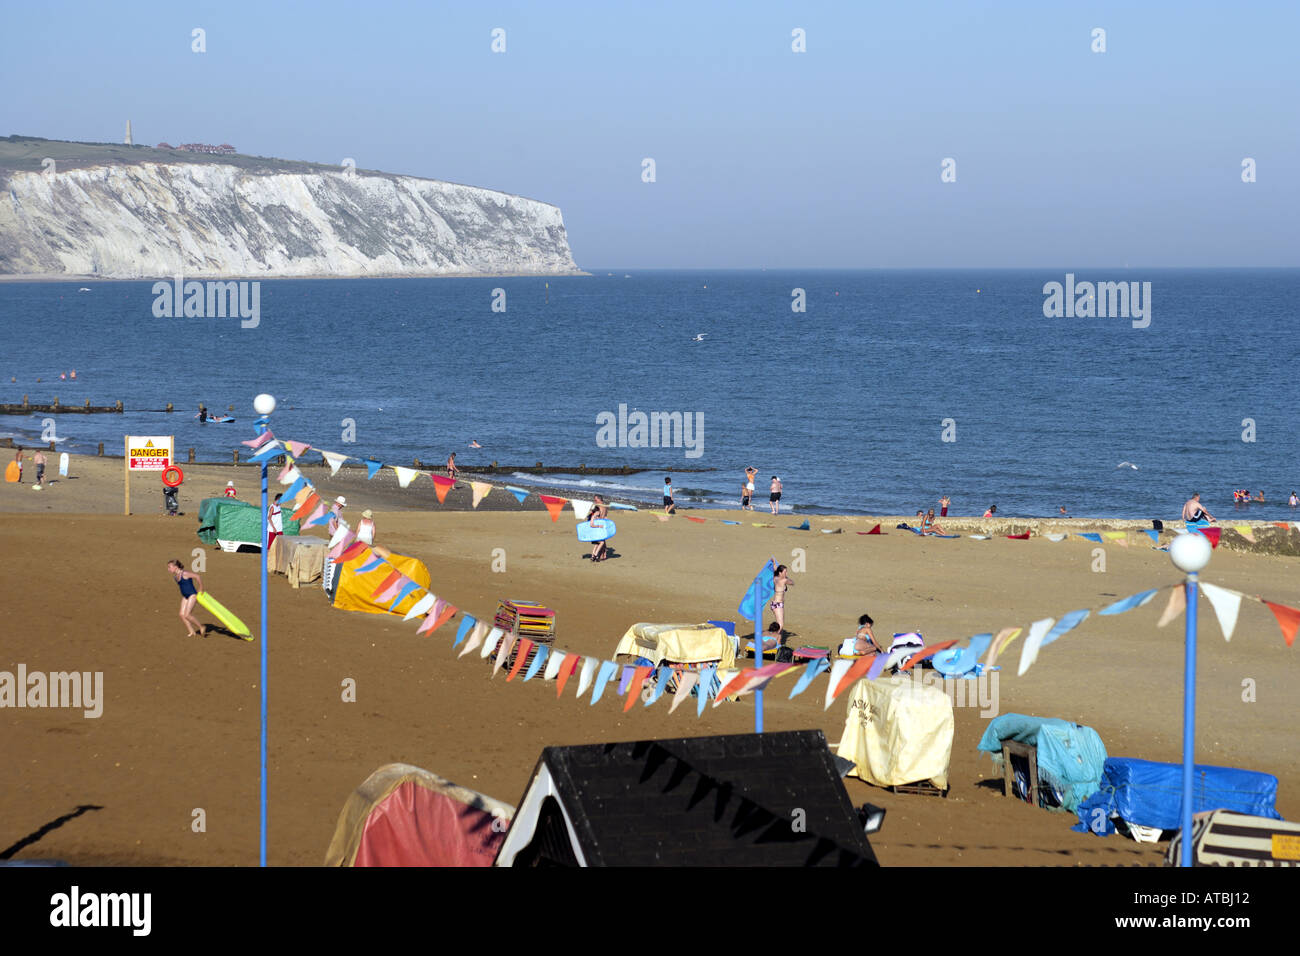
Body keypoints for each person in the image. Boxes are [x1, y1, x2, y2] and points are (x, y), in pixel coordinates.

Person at [167, 559, 206, 638]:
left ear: (175, 567)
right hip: (185, 596)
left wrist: (201, 588)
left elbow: (197, 576)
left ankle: (201, 626)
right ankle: (192, 632)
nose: (168, 569)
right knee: (181, 614)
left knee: (187, 615)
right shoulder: (176, 577)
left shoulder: (184, 573)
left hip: (192, 595)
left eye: (169, 567)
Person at [770, 564, 792, 634]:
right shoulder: (780, 580)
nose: (786, 573)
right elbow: (791, 582)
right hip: (777, 604)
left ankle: (778, 642)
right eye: (785, 572)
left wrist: (774, 563)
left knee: (780, 625)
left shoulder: (777, 578)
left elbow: (775, 570)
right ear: (780, 573)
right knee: (780, 625)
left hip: (780, 604)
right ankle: (773, 640)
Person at [589, 494, 610, 562]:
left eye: (595, 499)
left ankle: (597, 555)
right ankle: (602, 555)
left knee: (600, 542)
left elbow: (594, 515)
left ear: (599, 499)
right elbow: (605, 516)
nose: (595, 501)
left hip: (598, 525)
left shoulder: (598, 507)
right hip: (602, 524)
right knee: (601, 541)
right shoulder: (605, 507)